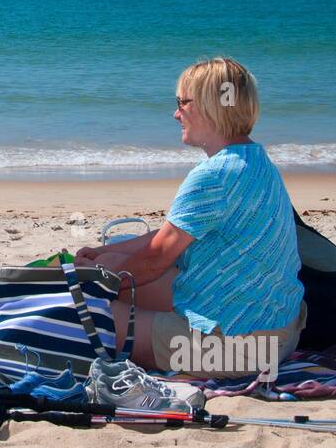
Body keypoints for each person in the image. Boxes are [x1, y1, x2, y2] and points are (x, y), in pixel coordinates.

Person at [75, 57, 306, 377]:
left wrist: (97, 279)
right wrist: (104, 256)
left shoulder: (213, 175)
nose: (175, 113)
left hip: (238, 350)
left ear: (212, 105)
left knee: (85, 311)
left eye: (182, 102)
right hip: (281, 330)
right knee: (121, 254)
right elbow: (167, 237)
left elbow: (153, 260)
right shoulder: (255, 160)